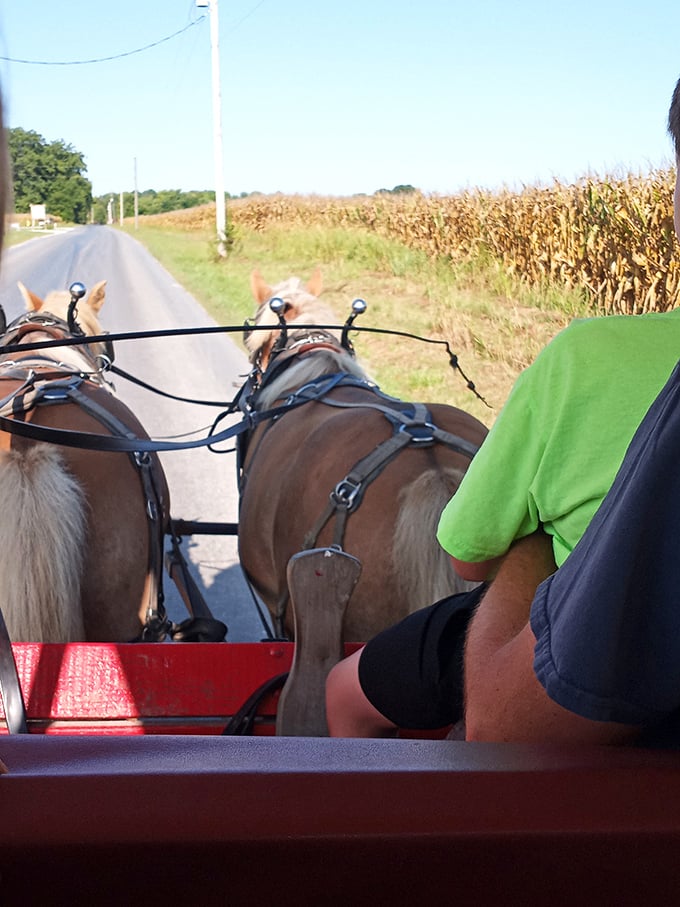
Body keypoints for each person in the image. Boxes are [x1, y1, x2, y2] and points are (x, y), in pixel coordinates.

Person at [326, 75, 680, 745]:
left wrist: (538, 540)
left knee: (340, 689)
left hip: (570, 660)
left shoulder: (584, 357)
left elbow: (464, 554)